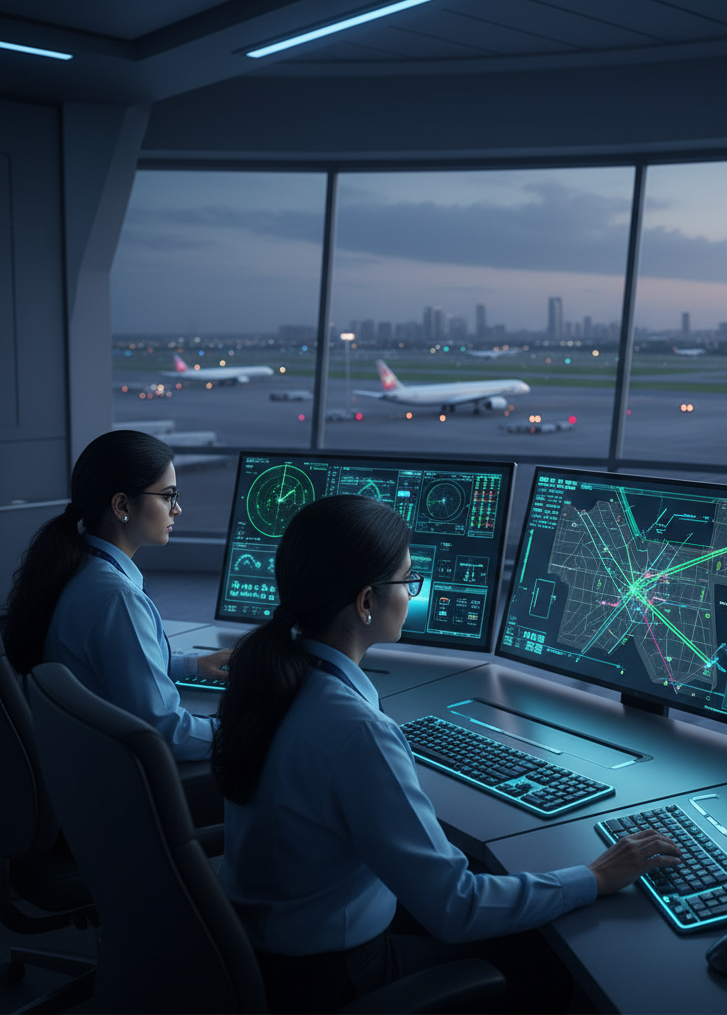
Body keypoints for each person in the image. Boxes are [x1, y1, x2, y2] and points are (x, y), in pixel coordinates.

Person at [212, 495, 681, 1013]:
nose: (414, 593)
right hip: (332, 979)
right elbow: (457, 908)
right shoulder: (355, 729)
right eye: (409, 581)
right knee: (550, 963)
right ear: (367, 602)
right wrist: (594, 876)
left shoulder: (269, 678)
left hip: (265, 951)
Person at [3, 429, 231, 761]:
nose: (177, 509)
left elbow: (112, 664)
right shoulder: (118, 599)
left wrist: (191, 665)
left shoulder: (78, 567)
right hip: (122, 784)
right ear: (122, 505)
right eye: (168, 496)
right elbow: (167, 732)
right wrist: (243, 734)